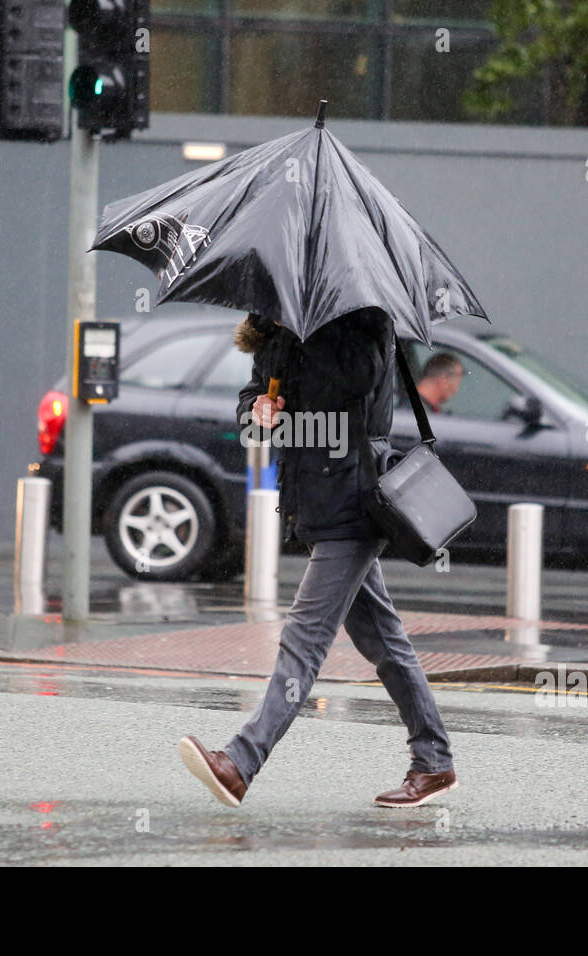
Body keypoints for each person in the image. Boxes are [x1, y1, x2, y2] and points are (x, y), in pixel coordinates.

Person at [177, 308, 457, 809]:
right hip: (314, 500)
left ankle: (241, 762)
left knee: (303, 639)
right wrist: (258, 410)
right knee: (385, 643)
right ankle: (433, 761)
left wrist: (304, 337)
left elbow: (358, 384)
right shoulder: (273, 320)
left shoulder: (364, 319)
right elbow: (256, 399)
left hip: (355, 499)